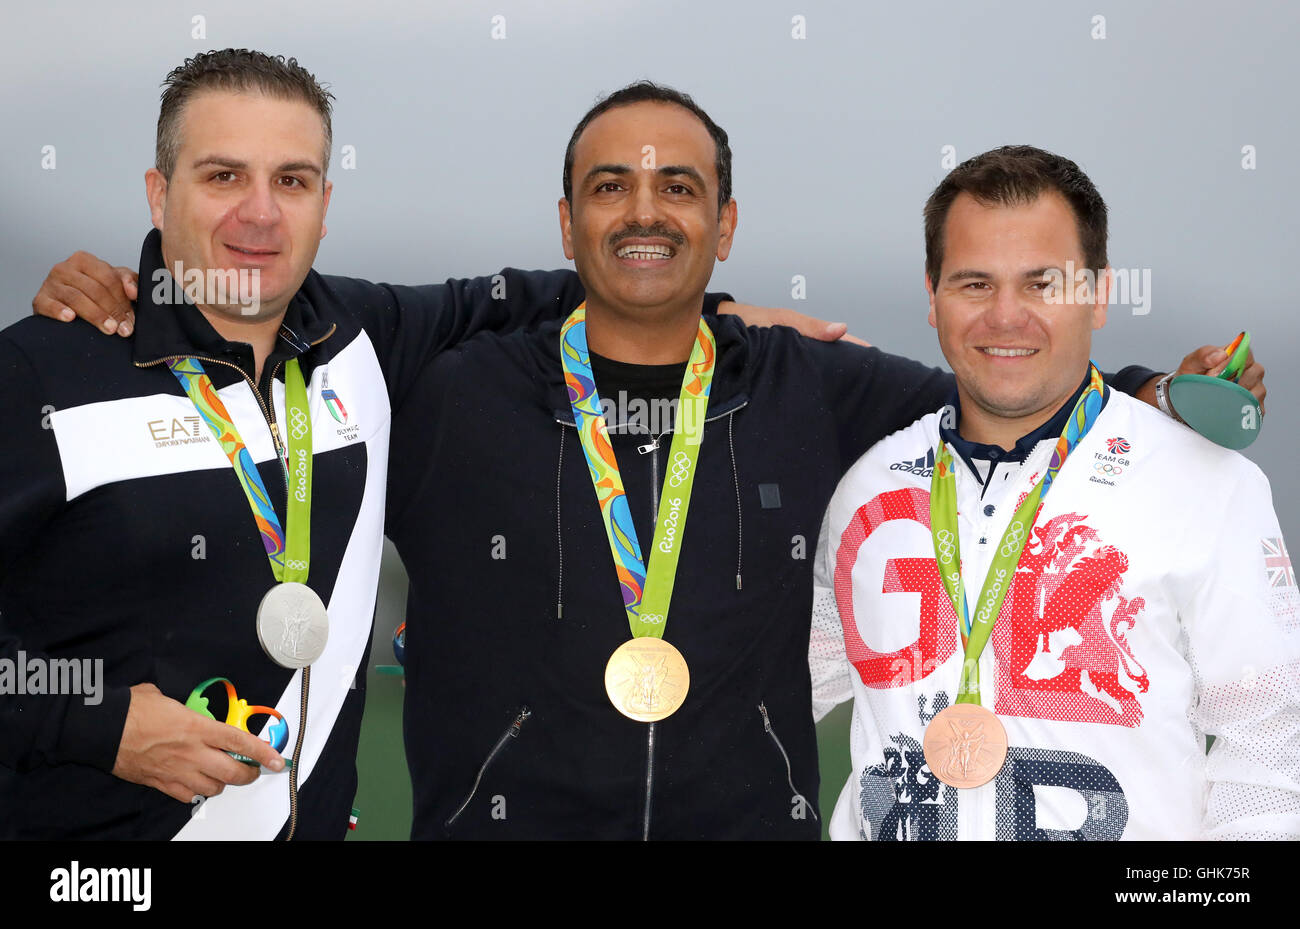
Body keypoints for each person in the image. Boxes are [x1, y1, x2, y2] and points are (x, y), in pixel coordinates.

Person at [36, 81, 1263, 840]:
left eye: (681, 186)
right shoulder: (436, 382)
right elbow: (260, 298)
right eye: (609, 187)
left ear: (724, 225)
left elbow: (1003, 385)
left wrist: (1156, 390)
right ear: (565, 224)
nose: (646, 209)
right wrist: (140, 291)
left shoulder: (817, 389)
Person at [8, 51, 833, 841]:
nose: (259, 214)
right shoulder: (42, 371)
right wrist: (97, 720)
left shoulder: (363, 340)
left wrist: (719, 311)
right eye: (223, 176)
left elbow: (540, 294)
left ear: (324, 206)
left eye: (290, 181)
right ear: (159, 194)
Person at [810, 145, 1299, 840]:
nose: (1006, 316)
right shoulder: (868, 484)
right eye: (974, 284)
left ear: (1099, 295)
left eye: (1043, 284)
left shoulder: (1208, 483)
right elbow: (771, 699)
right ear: (932, 296)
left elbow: (1272, 759)